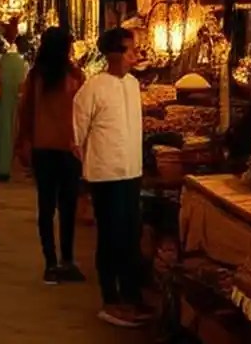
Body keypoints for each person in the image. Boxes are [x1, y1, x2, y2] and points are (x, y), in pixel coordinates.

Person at [73, 27, 149, 328]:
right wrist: (87, 171)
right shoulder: (92, 88)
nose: (135, 55)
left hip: (132, 171)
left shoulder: (132, 84)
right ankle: (111, 299)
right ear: (115, 53)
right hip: (106, 174)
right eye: (130, 50)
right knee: (111, 237)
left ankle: (131, 296)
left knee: (131, 236)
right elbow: (77, 134)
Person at [15, 26, 86, 285]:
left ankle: (51, 263)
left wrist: (24, 141)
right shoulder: (76, 76)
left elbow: (25, 113)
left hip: (43, 149)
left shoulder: (36, 76)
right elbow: (84, 113)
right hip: (69, 149)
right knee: (67, 208)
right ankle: (67, 261)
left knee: (46, 207)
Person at [0, 26, 26, 181]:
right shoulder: (20, 63)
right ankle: (5, 168)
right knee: (10, 134)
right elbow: (23, 85)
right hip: (14, 105)